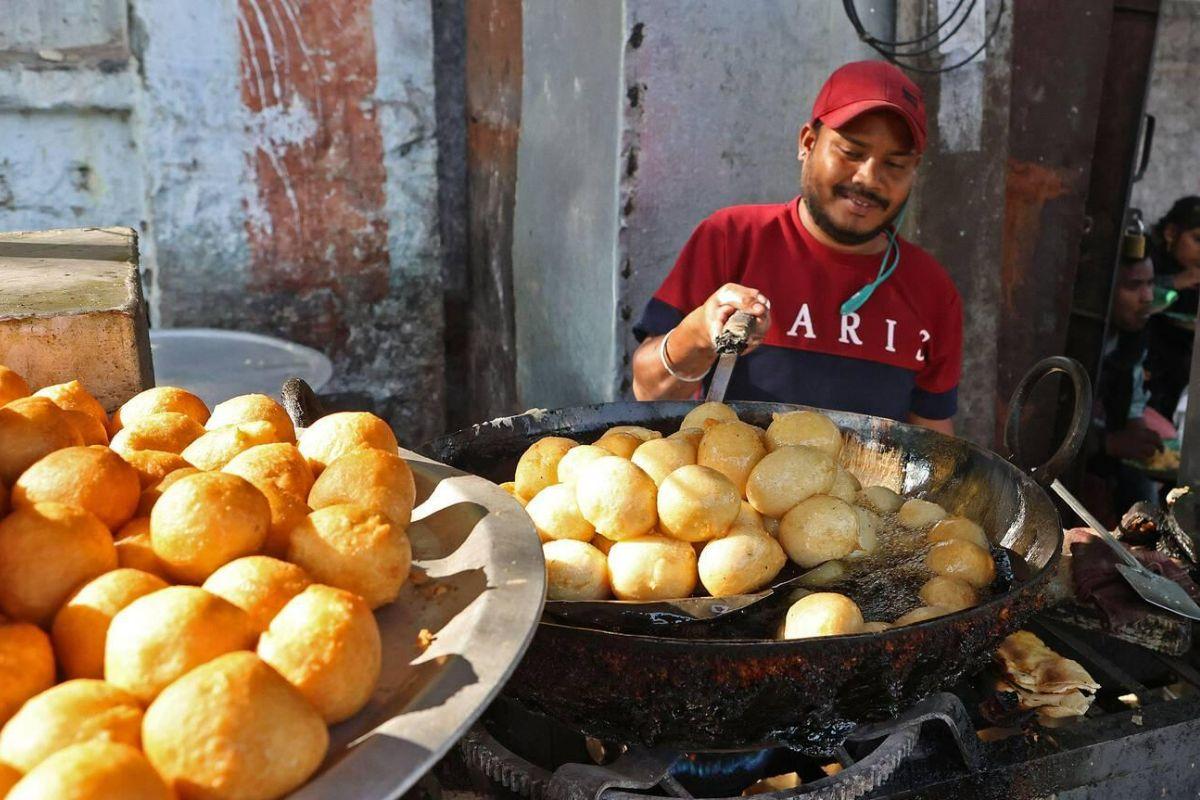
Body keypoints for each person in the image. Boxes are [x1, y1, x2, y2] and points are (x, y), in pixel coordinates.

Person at [630, 61, 962, 434]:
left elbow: (934, 440)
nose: (868, 178)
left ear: (914, 171)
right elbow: (648, 389)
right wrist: (700, 333)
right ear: (808, 143)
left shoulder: (932, 289)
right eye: (851, 152)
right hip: (734, 489)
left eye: (895, 165)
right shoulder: (732, 237)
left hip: (869, 493)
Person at [1086, 241, 1161, 522]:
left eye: (1151, 284)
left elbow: (1134, 397)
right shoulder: (1080, 344)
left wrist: (1137, 431)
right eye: (1133, 286)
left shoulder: (1133, 338)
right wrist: (1109, 443)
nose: (1147, 296)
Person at [1146, 196, 1200, 418]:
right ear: (1170, 233)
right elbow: (1130, 297)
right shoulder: (1147, 257)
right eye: (1197, 240)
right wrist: (1176, 281)